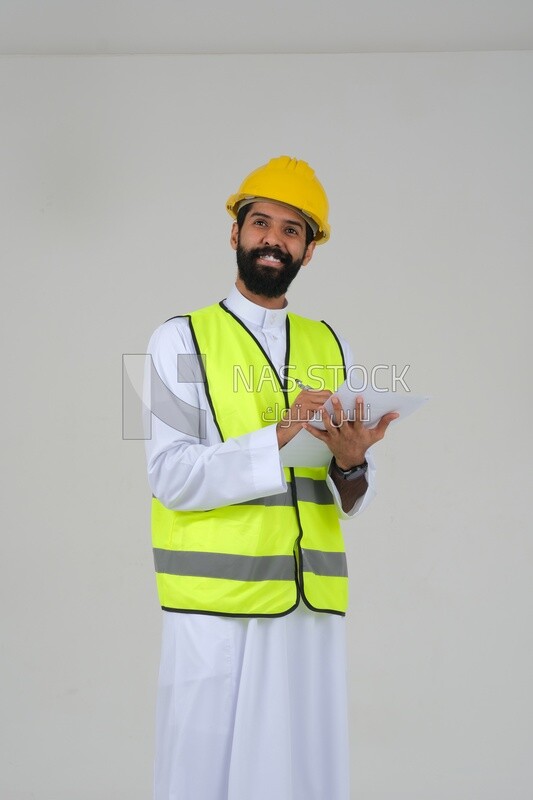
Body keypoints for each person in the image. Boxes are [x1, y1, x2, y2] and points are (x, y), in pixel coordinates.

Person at [145, 156, 398, 800]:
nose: (273, 240)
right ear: (235, 233)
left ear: (308, 252)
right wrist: (277, 435)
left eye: (292, 231)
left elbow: (341, 494)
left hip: (307, 608)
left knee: (301, 782)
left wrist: (353, 463)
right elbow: (168, 476)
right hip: (214, 614)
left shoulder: (328, 342)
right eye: (261, 223)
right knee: (202, 783)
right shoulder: (175, 340)